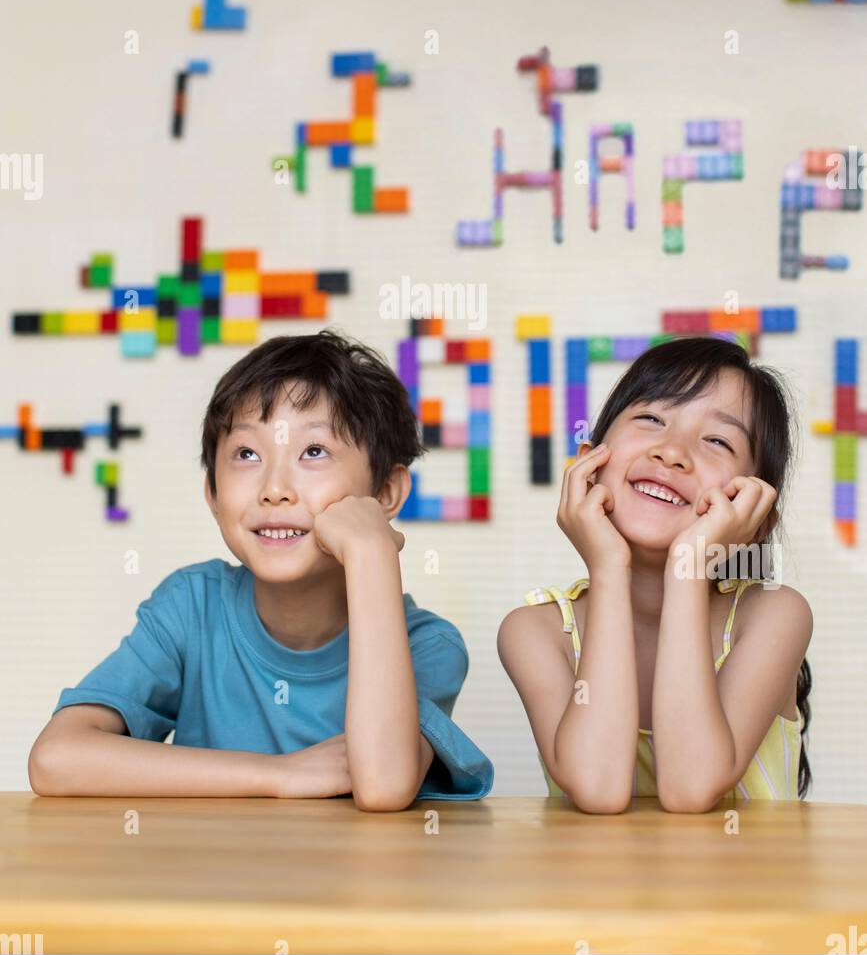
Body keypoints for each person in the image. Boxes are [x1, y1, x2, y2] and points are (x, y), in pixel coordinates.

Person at [30, 330, 494, 808]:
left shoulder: (428, 646)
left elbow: (383, 787)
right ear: (212, 493)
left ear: (386, 493)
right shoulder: (192, 607)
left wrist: (374, 556)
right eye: (247, 454)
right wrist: (279, 775)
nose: (275, 489)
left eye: (313, 452)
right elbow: (56, 757)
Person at [498, 335, 813, 812]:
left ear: (754, 511)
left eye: (717, 441)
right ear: (588, 461)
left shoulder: (774, 615)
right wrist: (606, 568)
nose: (672, 452)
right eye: (651, 419)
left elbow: (691, 788)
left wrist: (688, 566)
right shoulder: (538, 631)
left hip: (750, 888)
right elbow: (597, 789)